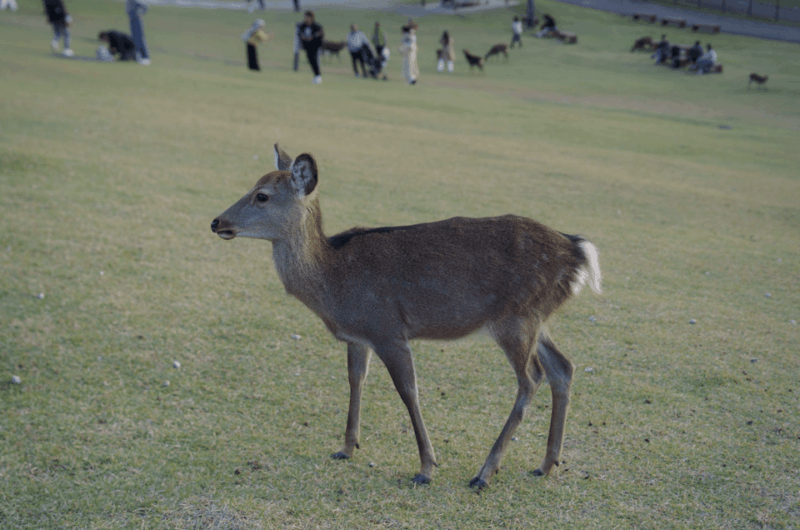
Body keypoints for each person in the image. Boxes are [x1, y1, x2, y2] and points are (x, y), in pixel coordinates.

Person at [298, 10, 324, 84]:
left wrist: (312, 37)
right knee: (310, 60)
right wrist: (303, 38)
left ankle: (318, 76)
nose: (306, 18)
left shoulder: (316, 26)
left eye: (307, 17)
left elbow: (320, 34)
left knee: (315, 60)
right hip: (307, 47)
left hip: (315, 46)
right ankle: (316, 76)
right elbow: (299, 33)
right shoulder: (303, 26)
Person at [126, 0, 150, 65]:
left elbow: (145, 7)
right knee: (134, 39)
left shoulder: (136, 1)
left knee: (139, 39)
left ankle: (146, 57)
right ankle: (138, 56)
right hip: (131, 19)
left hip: (137, 20)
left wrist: (140, 13)